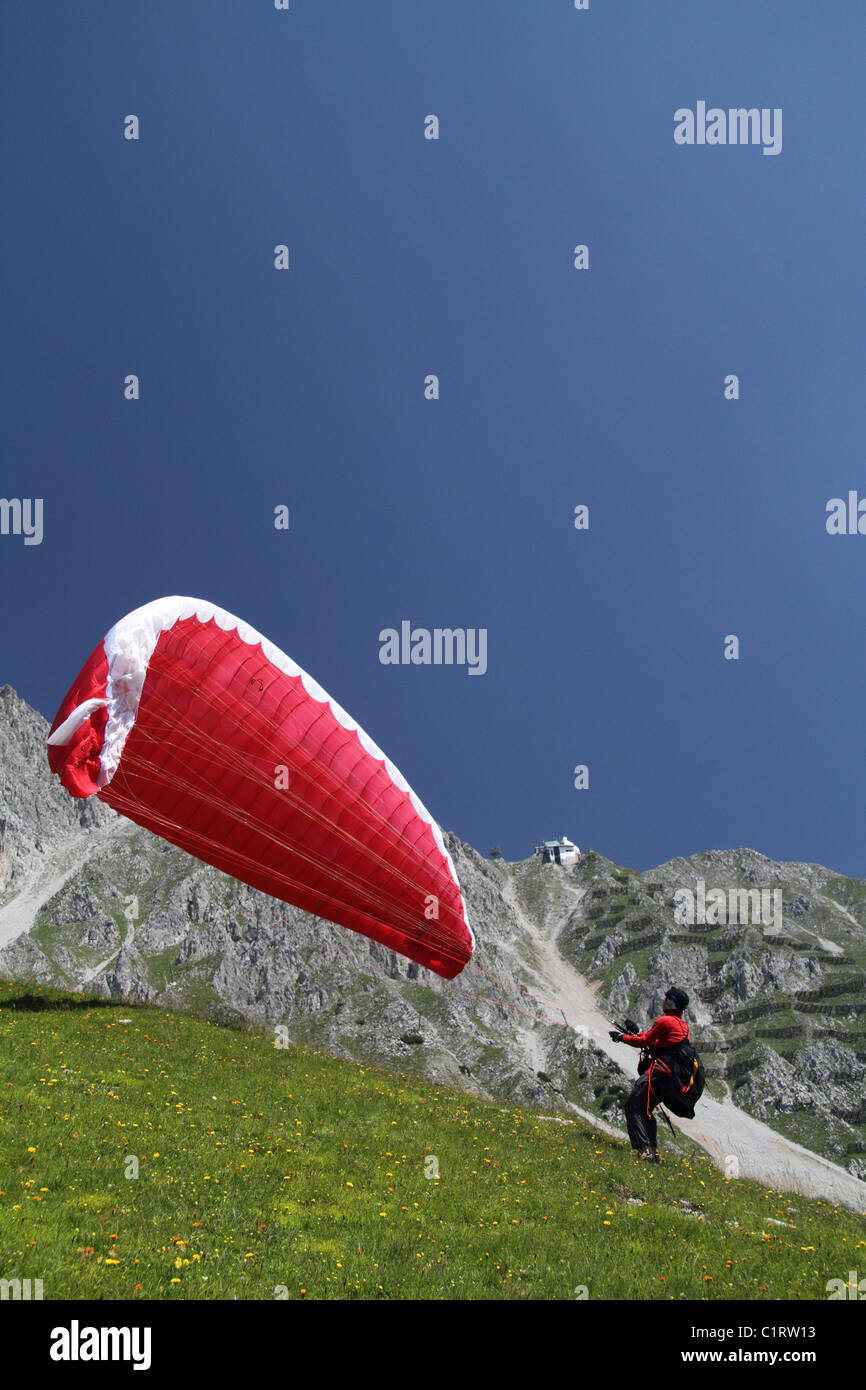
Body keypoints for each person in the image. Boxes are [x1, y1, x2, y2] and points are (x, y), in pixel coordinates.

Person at [609, 986, 690, 1162]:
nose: (662, 1001)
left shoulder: (666, 1021)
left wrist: (621, 1037)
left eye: (666, 999)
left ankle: (645, 1150)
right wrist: (637, 1032)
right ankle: (653, 1151)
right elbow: (658, 1044)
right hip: (669, 1079)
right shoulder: (682, 1026)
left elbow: (645, 1042)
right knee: (646, 1109)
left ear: (669, 1003)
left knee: (633, 1105)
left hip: (658, 1072)